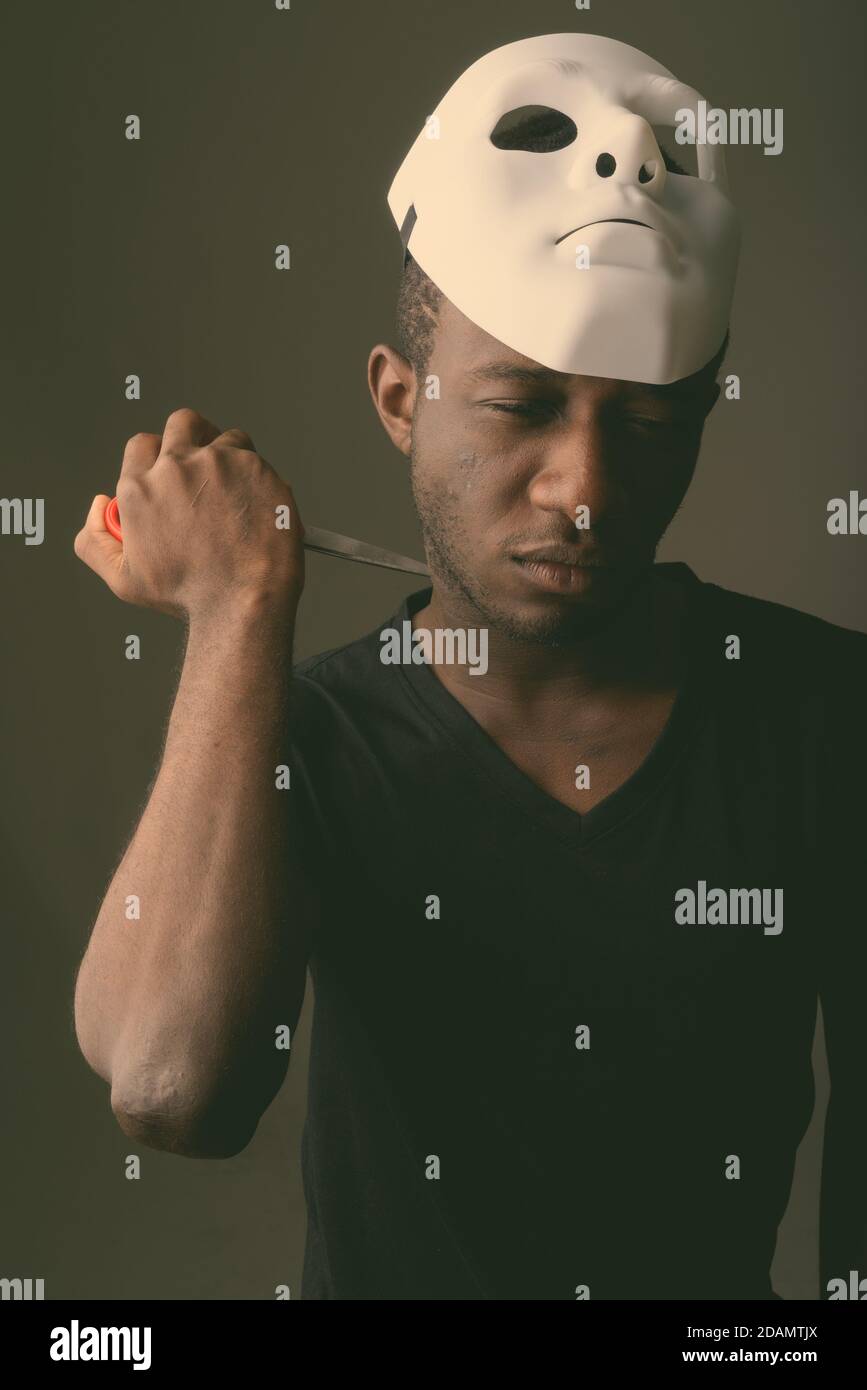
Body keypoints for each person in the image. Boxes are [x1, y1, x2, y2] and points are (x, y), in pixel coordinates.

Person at [73, 35, 866, 1301]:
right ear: (401, 400)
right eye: (522, 406)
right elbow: (173, 1091)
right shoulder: (309, 732)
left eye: (650, 423)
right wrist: (235, 609)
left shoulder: (828, 719)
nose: (585, 489)